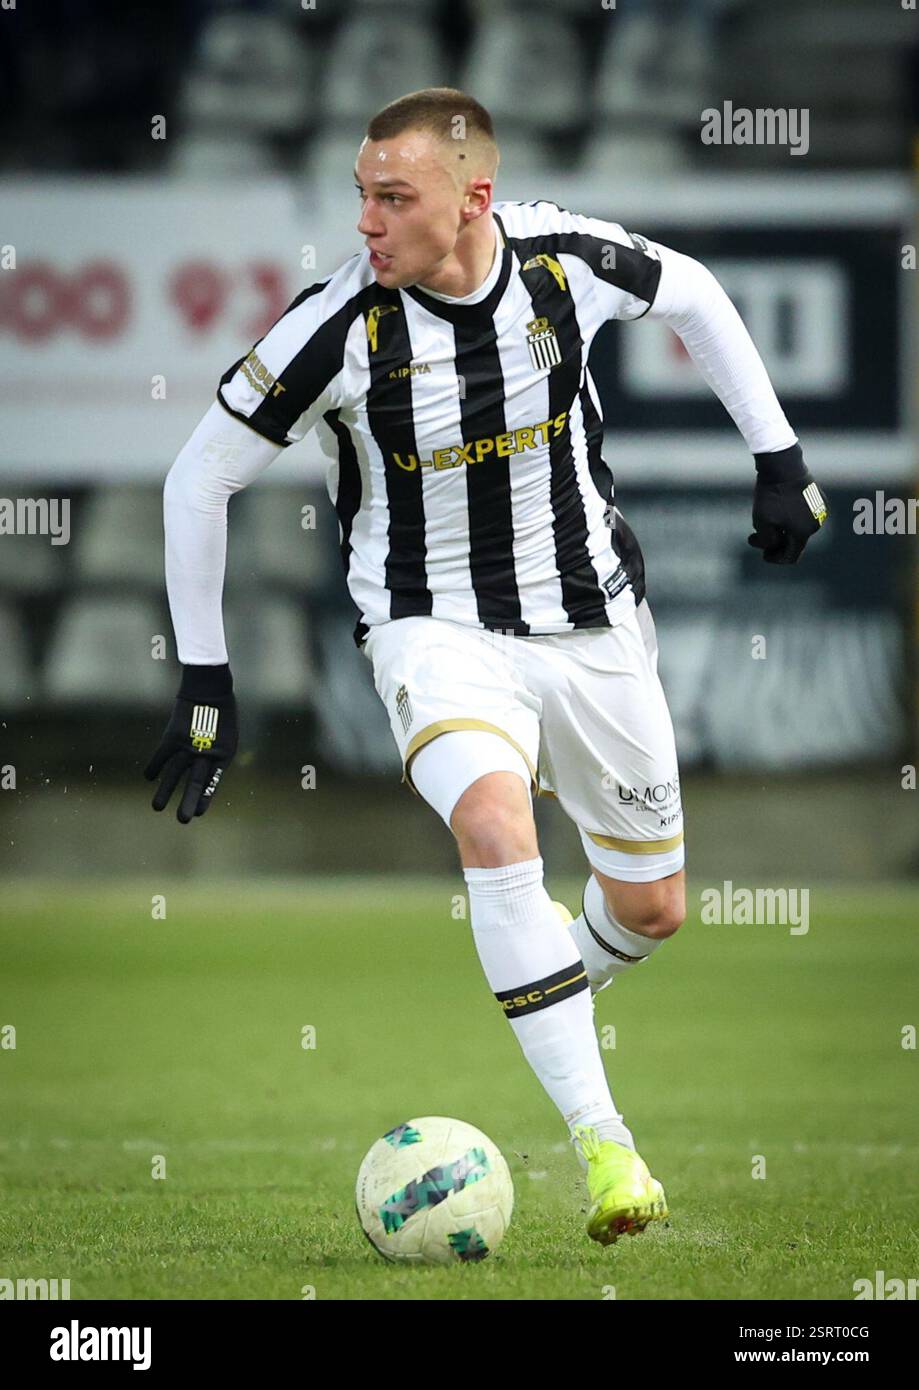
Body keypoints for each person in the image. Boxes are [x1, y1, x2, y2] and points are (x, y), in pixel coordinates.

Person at [144, 87, 828, 1245]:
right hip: (431, 631)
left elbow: (694, 293)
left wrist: (778, 453)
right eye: (359, 194)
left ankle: (538, 985)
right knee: (497, 833)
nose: (365, 221)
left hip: (594, 625)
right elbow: (197, 477)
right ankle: (608, 1148)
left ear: (472, 198)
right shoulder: (336, 329)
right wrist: (204, 676)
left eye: (392, 197)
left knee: (652, 908)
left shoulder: (564, 262)